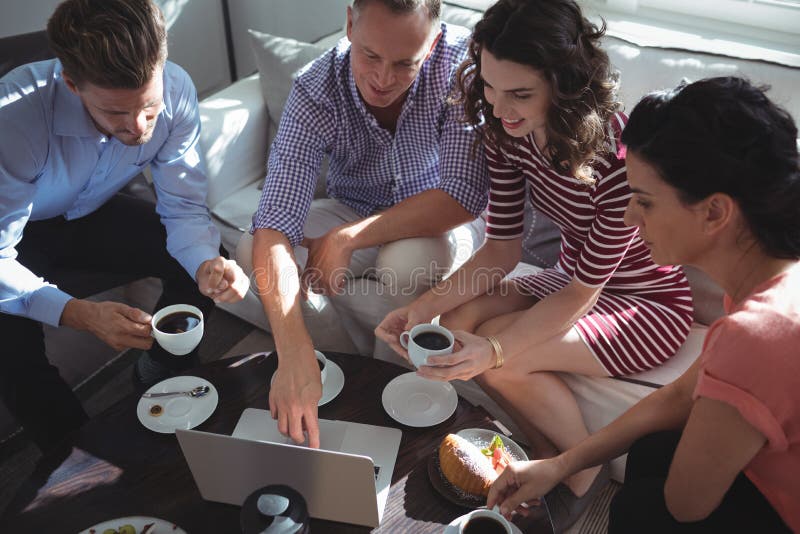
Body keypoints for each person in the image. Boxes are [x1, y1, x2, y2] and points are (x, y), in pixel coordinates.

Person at [376, 0, 693, 527]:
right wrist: (421, 308)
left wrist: (496, 349)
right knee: (455, 325)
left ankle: (583, 473)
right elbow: (501, 248)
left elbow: (584, 292)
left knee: (501, 355)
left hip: (645, 304)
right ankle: (543, 453)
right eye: (490, 87)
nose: (501, 108)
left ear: (564, 84)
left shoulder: (616, 156)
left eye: (520, 94)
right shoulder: (506, 132)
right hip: (570, 279)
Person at [487, 76, 799, 533]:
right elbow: (677, 396)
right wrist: (560, 464)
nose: (630, 217)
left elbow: (685, 504)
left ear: (714, 212)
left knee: (642, 510)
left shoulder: (757, 335)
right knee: (653, 451)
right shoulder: (771, 283)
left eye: (645, 202)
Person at [247, 0, 507, 449]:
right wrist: (292, 351)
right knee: (254, 251)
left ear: (434, 41)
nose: (383, 79)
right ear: (349, 23)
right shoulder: (315, 89)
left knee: (405, 263)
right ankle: (334, 367)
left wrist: (347, 239)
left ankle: (401, 386)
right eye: (370, 55)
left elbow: (463, 195)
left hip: (438, 221)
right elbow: (274, 220)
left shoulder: (462, 68)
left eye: (405, 63)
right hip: (353, 206)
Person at [0, 0, 249, 452]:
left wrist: (206, 263)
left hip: (91, 210)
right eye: (116, 113)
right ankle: (77, 453)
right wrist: (79, 313)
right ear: (72, 84)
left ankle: (161, 371)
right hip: (15, 230)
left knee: (204, 261)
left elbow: (184, 209)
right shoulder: (12, 118)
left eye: (149, 107)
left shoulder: (177, 89)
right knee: (9, 351)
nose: (138, 127)